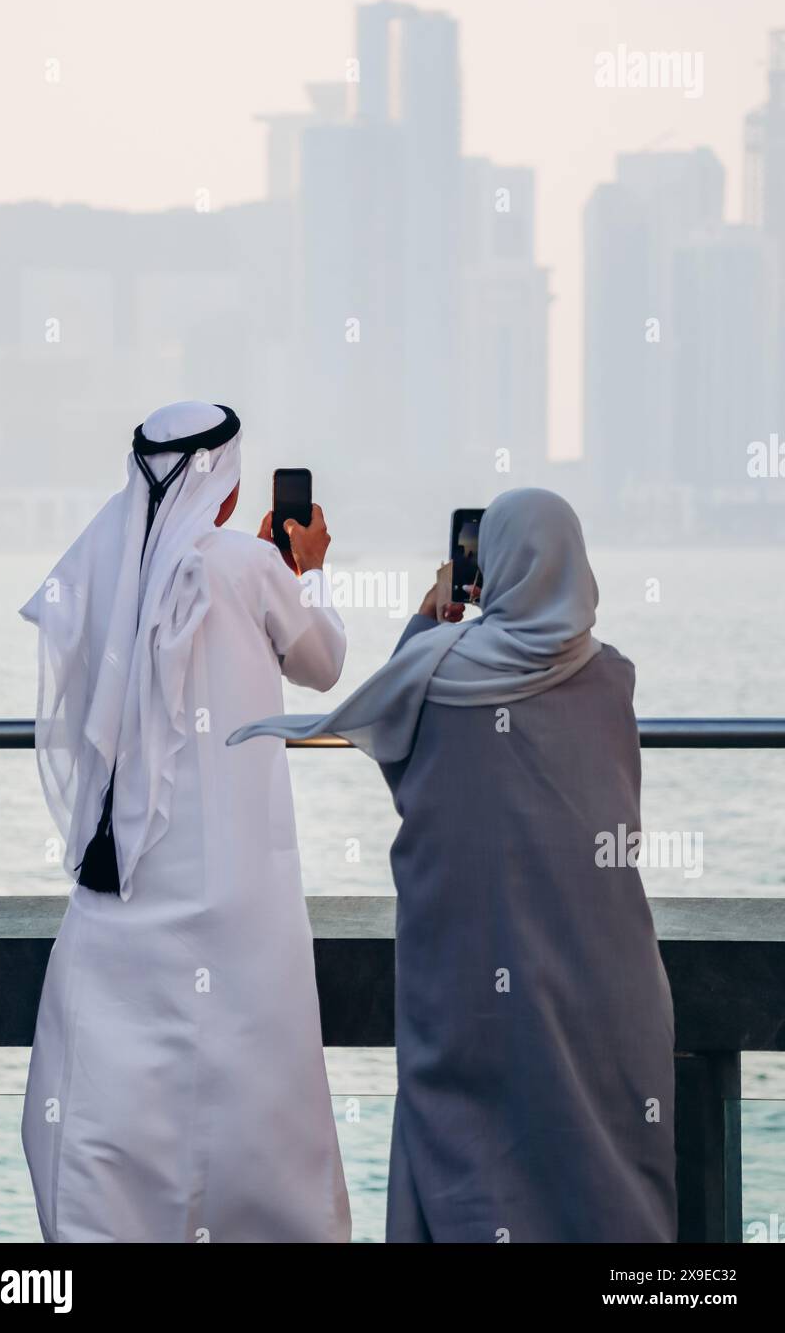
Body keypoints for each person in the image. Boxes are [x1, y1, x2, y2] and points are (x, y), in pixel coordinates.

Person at [229, 487, 677, 1244]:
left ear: (486, 567)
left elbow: (405, 759)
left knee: (469, 1152)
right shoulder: (613, 678)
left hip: (469, 973)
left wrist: (425, 620)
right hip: (609, 978)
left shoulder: (436, 670)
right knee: (603, 1168)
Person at [19, 399, 351, 1243]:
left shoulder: (102, 557)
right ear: (231, 489)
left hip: (122, 883)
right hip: (242, 892)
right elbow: (322, 662)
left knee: (118, 1092)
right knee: (250, 1089)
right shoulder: (245, 564)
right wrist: (306, 568)